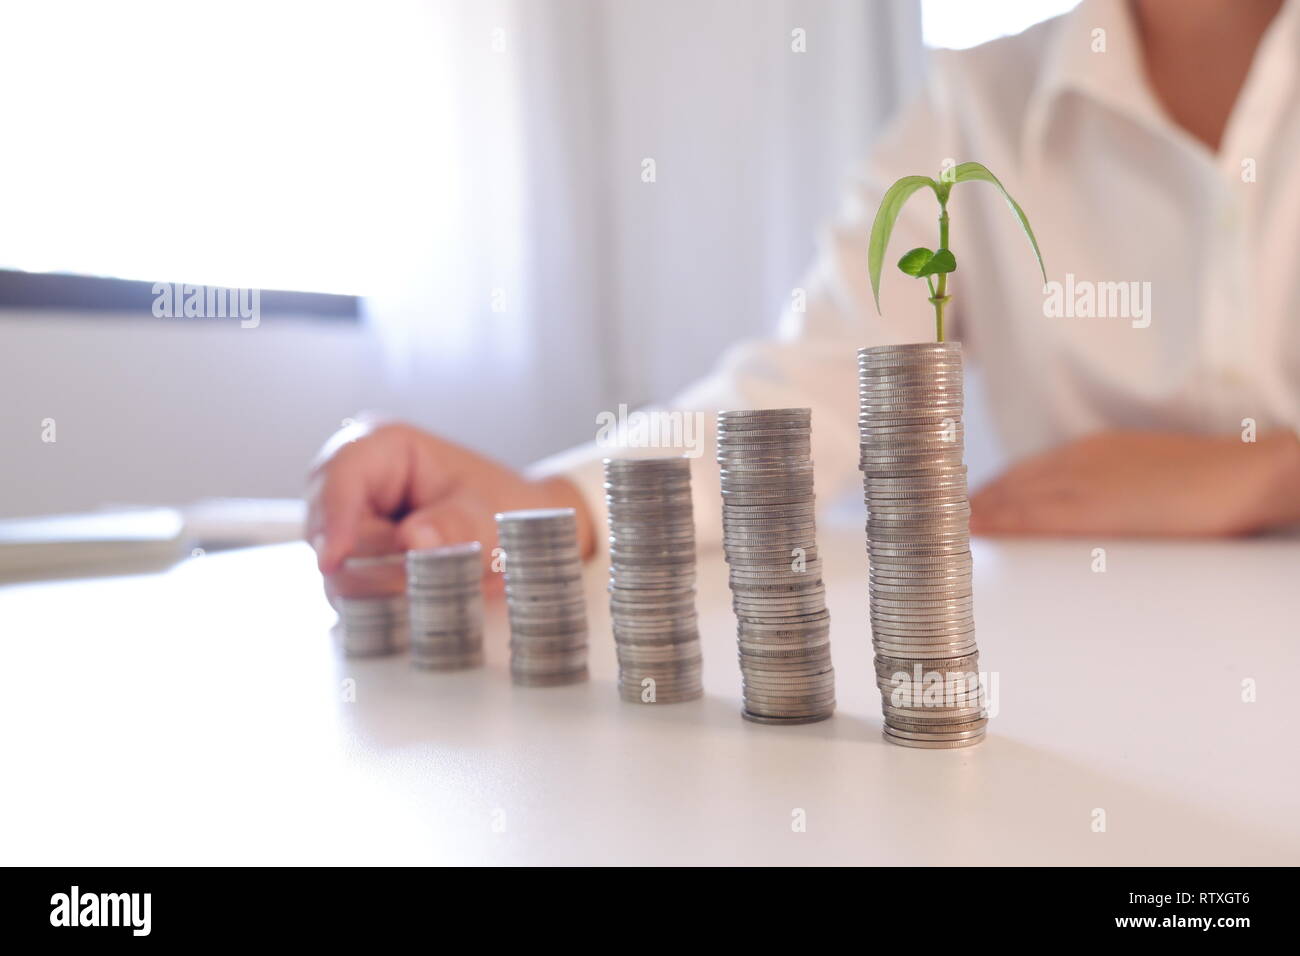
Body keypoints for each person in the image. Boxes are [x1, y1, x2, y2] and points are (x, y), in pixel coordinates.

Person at [307, 0, 1300, 598]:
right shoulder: (970, 108)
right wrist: (552, 502)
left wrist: (1263, 476)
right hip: (1091, 655)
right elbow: (815, 386)